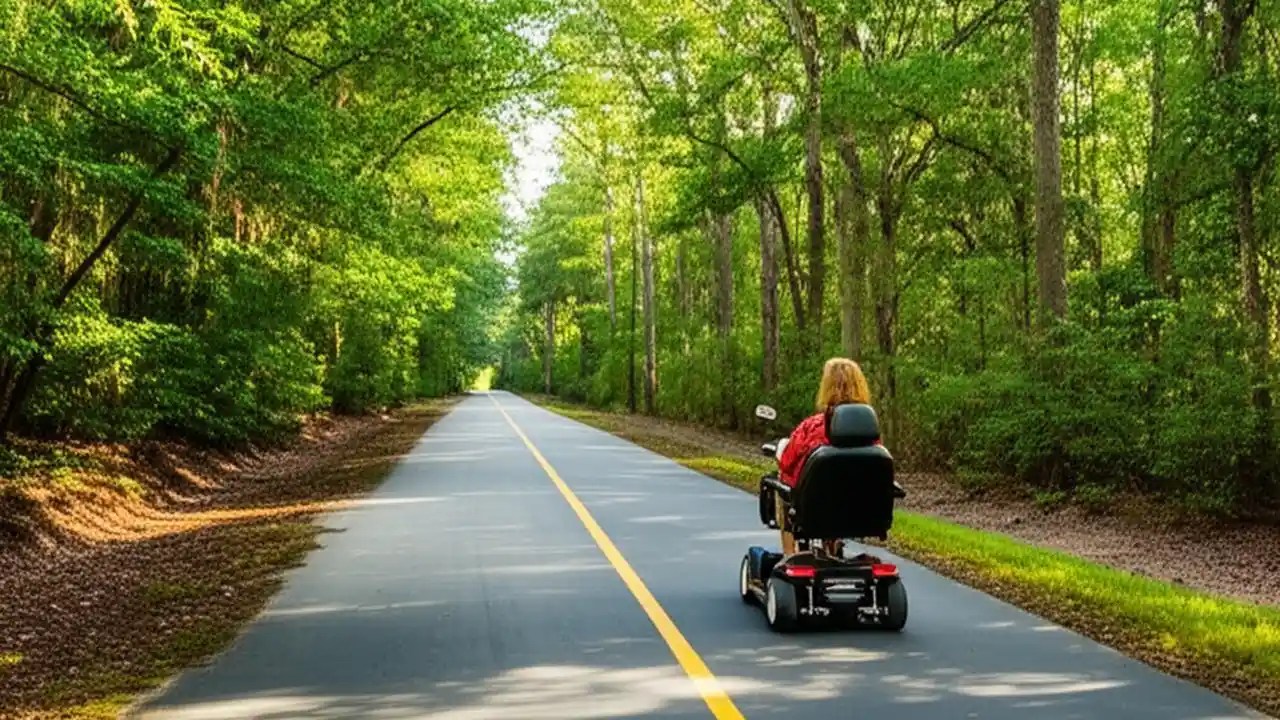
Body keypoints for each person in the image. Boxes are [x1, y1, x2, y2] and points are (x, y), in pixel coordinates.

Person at [774, 357, 880, 557]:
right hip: (857, 510)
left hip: (814, 507)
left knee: (783, 482)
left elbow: (787, 461)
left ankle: (789, 554)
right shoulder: (870, 432)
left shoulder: (812, 427)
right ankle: (833, 543)